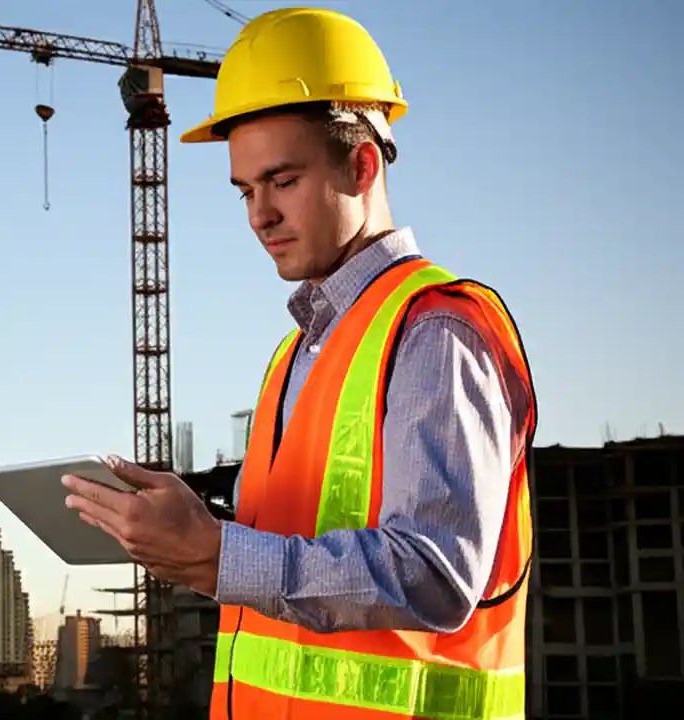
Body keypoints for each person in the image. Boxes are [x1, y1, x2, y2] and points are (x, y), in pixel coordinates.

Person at [60, 7, 537, 720]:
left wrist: (216, 553)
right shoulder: (296, 351)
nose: (259, 215)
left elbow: (438, 574)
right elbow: (294, 545)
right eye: (246, 191)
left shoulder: (435, 330)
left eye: (281, 181)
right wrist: (185, 529)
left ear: (362, 163)